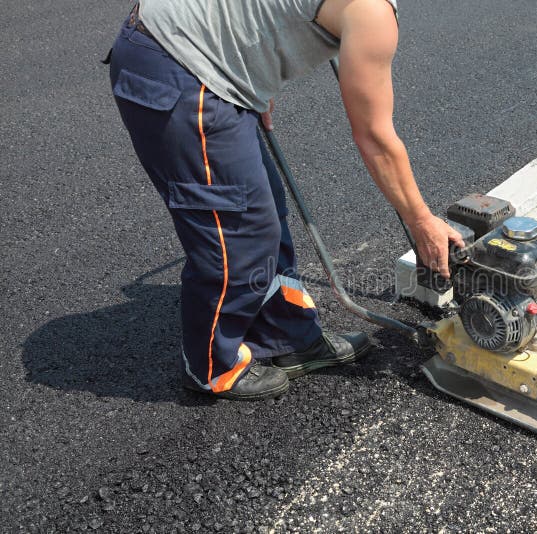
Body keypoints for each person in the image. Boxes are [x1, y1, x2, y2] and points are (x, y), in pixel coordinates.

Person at [108, 0, 465, 400]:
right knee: (237, 231)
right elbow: (374, 137)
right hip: (178, 64)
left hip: (197, 55)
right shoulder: (371, 12)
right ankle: (211, 366)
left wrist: (251, 74)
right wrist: (421, 221)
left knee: (264, 211)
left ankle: (287, 336)